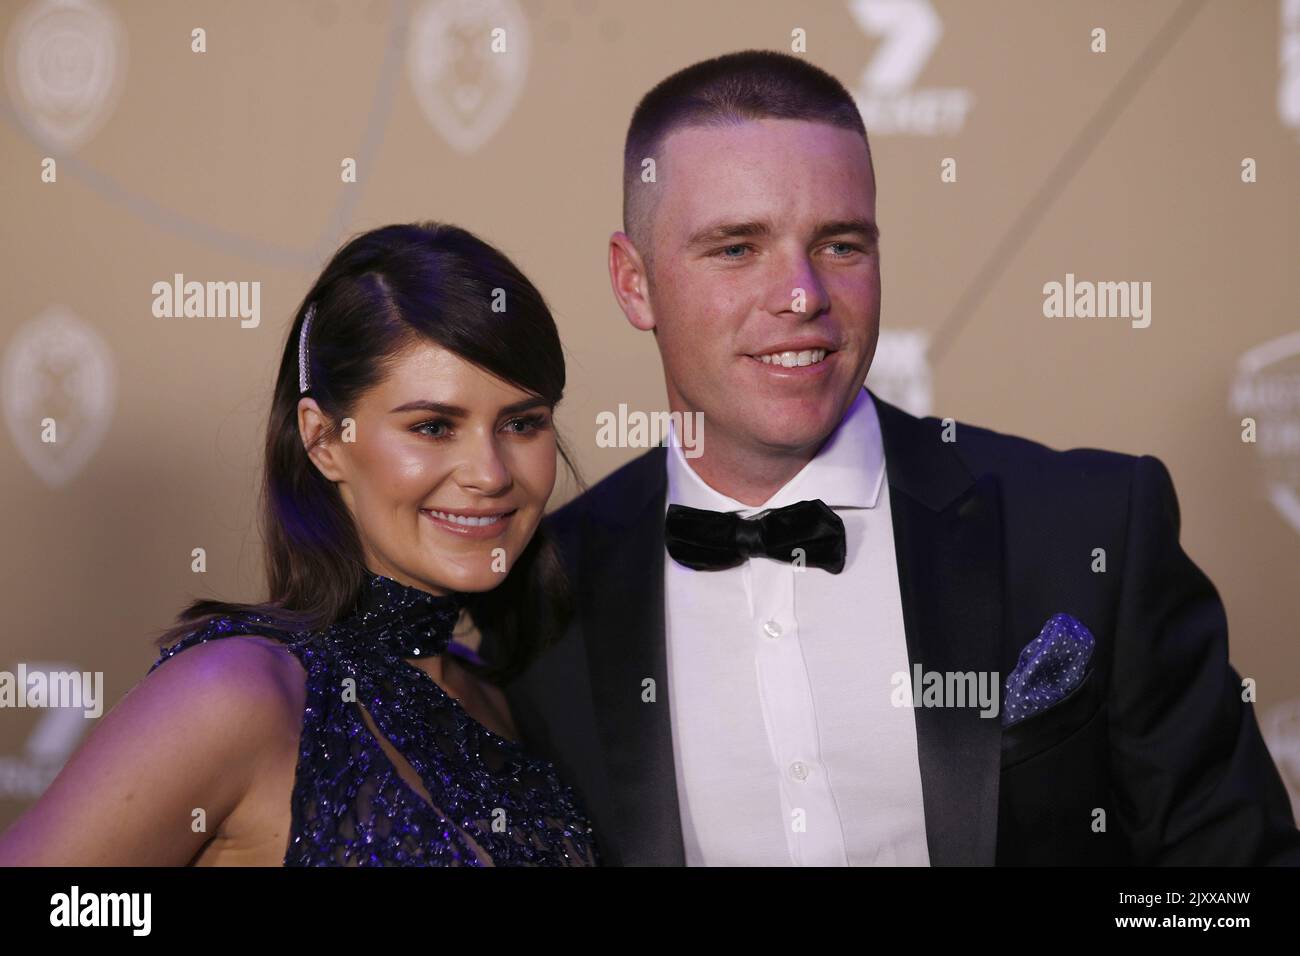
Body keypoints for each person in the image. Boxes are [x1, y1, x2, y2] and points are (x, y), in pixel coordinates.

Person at [488, 50, 1300, 865]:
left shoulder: (1090, 529)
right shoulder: (543, 591)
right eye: (737, 249)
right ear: (634, 283)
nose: (802, 294)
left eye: (840, 245)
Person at [0, 222, 597, 866]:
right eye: (432, 426)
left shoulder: (502, 698)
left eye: (523, 423)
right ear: (323, 440)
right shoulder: (236, 694)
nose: (491, 473)